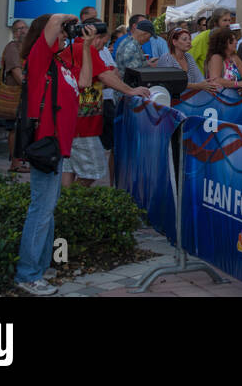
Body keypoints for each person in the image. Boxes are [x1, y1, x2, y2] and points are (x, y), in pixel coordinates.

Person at [15, 15, 90, 295]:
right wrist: (70, 18)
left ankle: (41, 266)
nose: (63, 34)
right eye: (60, 31)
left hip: (58, 147)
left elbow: (83, 82)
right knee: (41, 210)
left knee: (47, 209)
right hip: (46, 144)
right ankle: (28, 274)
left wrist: (87, 42)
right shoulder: (39, 57)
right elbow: (55, 20)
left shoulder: (59, 61)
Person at [66, 22, 151, 187]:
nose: (102, 48)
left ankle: (65, 206)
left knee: (69, 168)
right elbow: (106, 75)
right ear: (96, 38)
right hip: (81, 120)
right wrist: (130, 91)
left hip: (77, 117)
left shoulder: (77, 48)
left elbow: (109, 74)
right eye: (104, 43)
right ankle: (72, 199)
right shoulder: (86, 48)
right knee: (94, 169)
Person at [0, 19, 30, 172]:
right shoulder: (12, 48)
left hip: (24, 95)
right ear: (14, 33)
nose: (22, 31)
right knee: (14, 129)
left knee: (22, 128)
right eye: (18, 29)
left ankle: (22, 161)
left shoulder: (26, 47)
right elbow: (17, 73)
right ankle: (15, 163)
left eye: (24, 28)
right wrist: (31, 86)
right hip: (15, 96)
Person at [158, 28, 221, 92]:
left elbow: (199, 78)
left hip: (189, 98)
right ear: (174, 42)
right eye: (184, 39)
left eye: (189, 39)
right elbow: (173, 83)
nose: (188, 42)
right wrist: (197, 86)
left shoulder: (188, 56)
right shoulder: (166, 58)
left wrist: (209, 84)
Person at [204, 27, 242, 91]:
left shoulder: (235, 57)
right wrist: (239, 84)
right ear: (223, 43)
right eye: (232, 40)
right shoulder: (216, 57)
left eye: (235, 39)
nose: (236, 42)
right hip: (221, 98)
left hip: (237, 97)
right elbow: (215, 80)